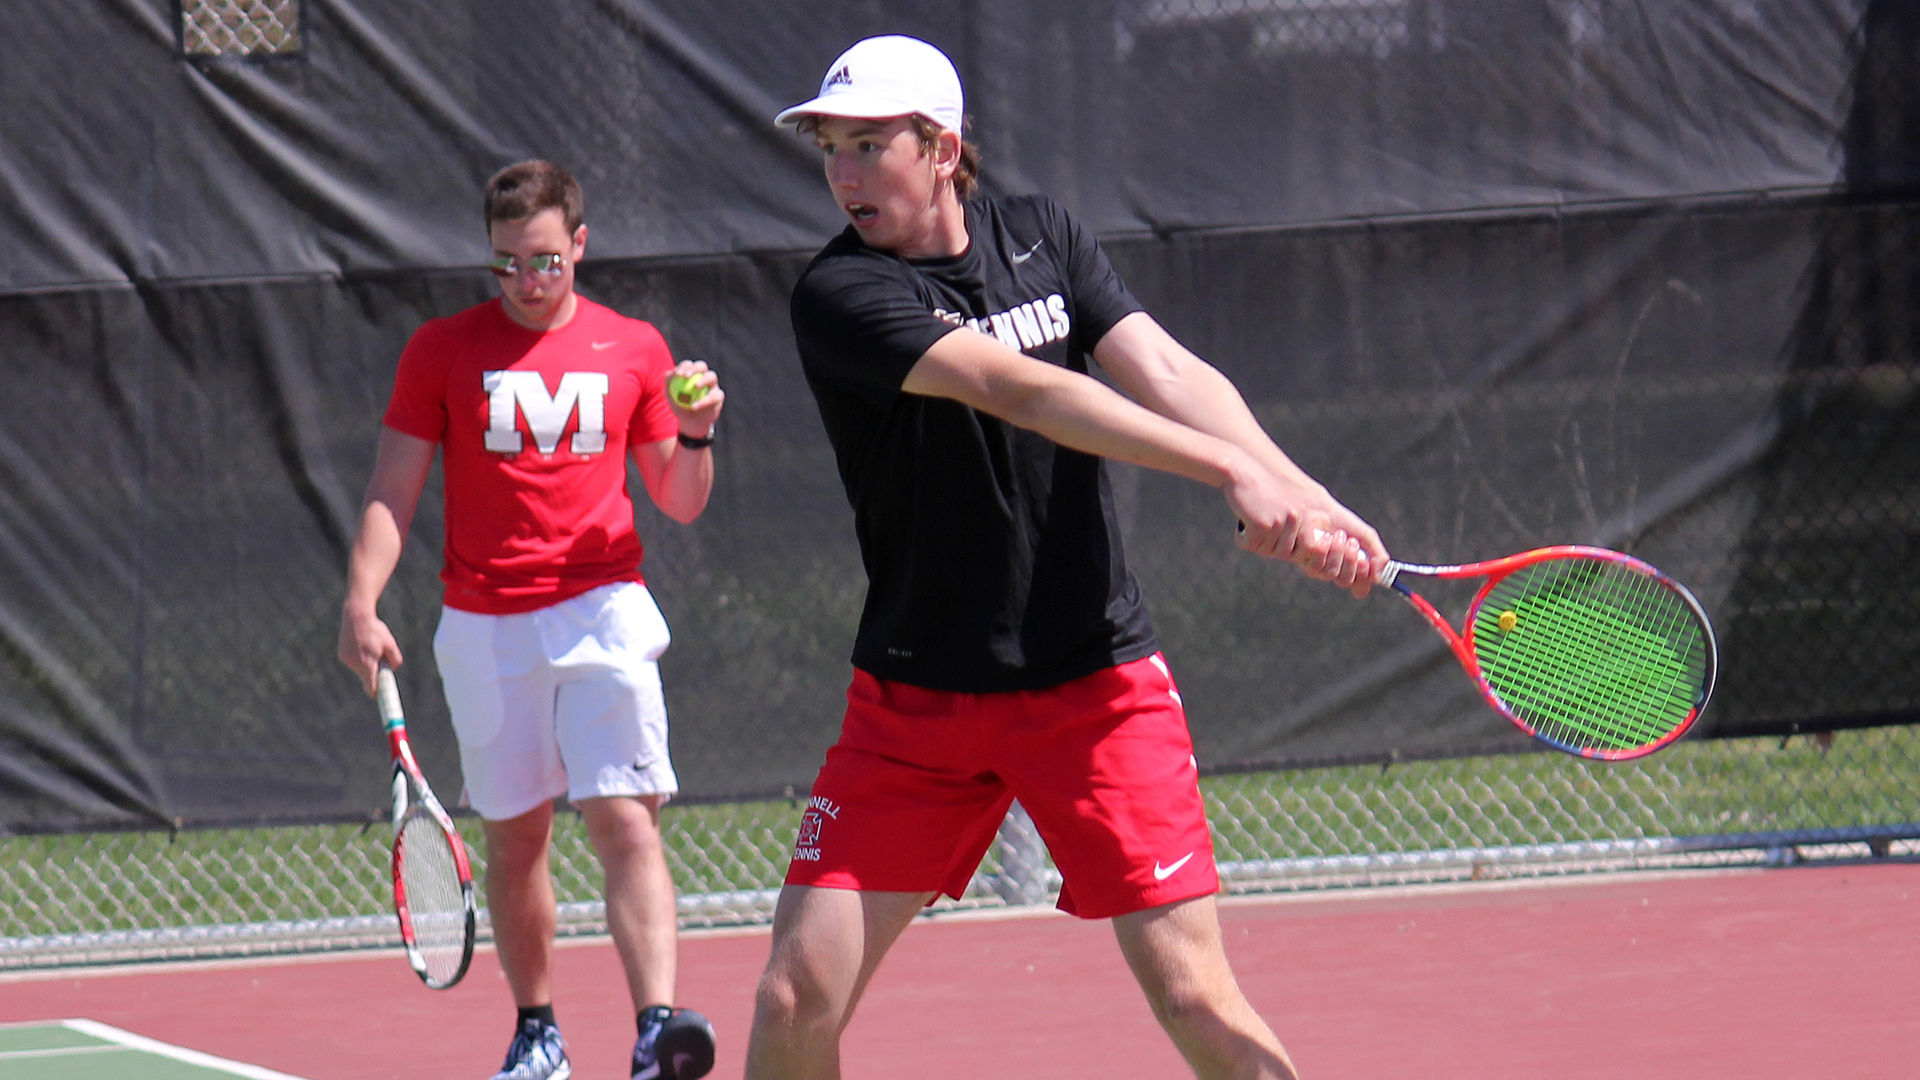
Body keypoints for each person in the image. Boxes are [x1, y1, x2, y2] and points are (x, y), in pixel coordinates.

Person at [744, 36, 1391, 1080]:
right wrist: (1231, 474)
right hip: (915, 708)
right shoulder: (840, 295)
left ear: (943, 149)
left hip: (1095, 687)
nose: (844, 174)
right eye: (832, 149)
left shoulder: (1045, 238)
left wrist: (1306, 497)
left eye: (870, 145)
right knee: (792, 996)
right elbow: (1026, 391)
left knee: (1195, 995)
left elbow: (1167, 368)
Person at [337, 159, 720, 1080]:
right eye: (506, 264)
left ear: (580, 245)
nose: (527, 282)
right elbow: (394, 489)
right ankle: (537, 1035)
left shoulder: (633, 348)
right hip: (485, 625)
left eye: (545, 260)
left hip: (604, 612)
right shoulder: (440, 349)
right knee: (516, 838)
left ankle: (655, 1030)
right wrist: (360, 600)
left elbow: (680, 498)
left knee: (626, 820)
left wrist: (699, 433)